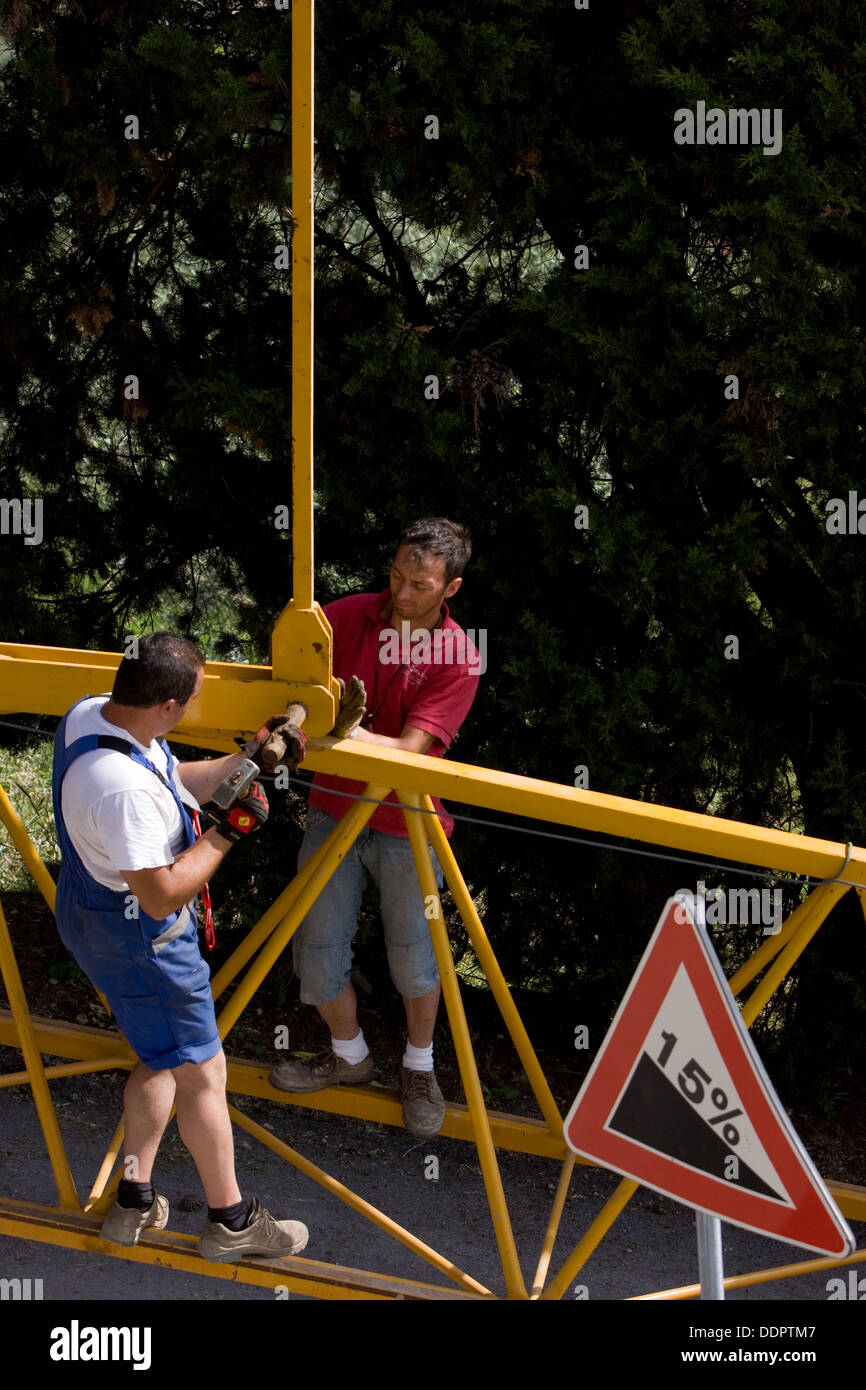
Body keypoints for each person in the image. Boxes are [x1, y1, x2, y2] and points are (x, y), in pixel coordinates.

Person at [52, 631, 308, 1262]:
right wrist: (228, 834)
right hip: (143, 936)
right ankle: (232, 1220)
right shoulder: (120, 792)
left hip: (92, 915)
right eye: (192, 698)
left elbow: (169, 778)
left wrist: (250, 762)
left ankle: (133, 1203)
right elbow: (164, 893)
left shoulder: (93, 715)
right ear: (166, 706)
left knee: (160, 1056)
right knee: (202, 1069)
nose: (195, 706)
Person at [269, 518, 481, 1138]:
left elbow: (412, 752)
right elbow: (286, 677)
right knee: (316, 952)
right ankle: (350, 1057)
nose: (402, 592)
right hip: (331, 810)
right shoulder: (341, 616)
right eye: (396, 575)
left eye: (419, 583)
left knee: (416, 958)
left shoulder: (460, 658)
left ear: (452, 588)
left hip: (408, 823)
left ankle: (419, 1067)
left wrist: (343, 733)